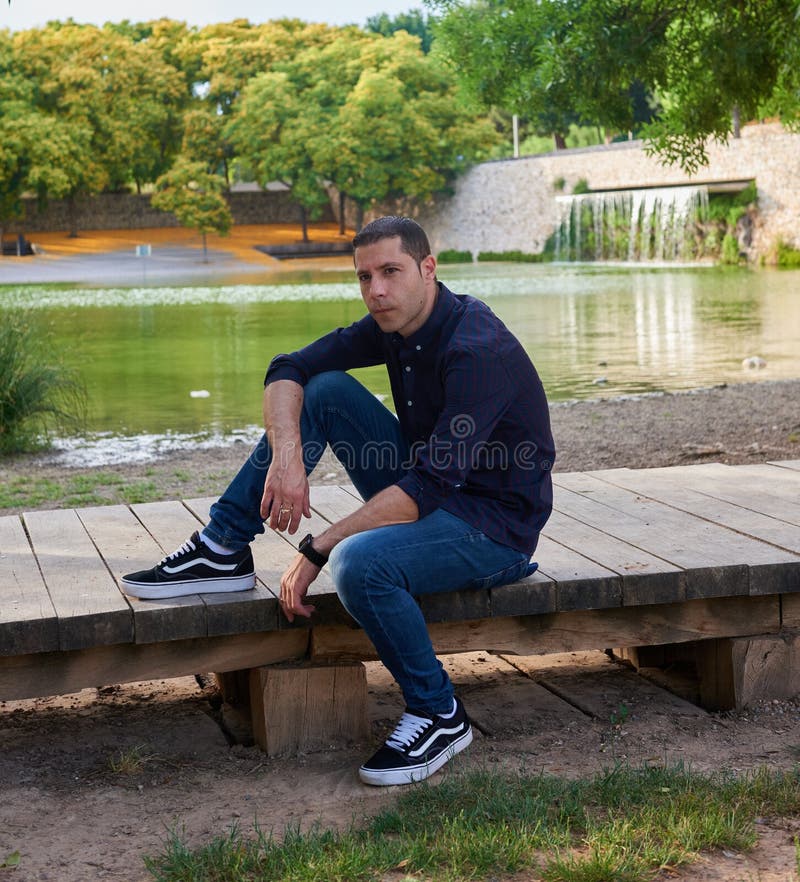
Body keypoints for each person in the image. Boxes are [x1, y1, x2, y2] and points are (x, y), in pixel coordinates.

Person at [121, 215, 555, 786]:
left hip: (493, 530)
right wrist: (286, 456)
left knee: (359, 565)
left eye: (391, 272)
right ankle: (223, 545)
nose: (376, 290)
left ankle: (439, 712)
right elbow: (288, 367)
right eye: (364, 277)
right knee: (323, 389)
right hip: (435, 494)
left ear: (428, 269)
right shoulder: (395, 323)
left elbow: (425, 487)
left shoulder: (478, 348)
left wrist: (320, 544)